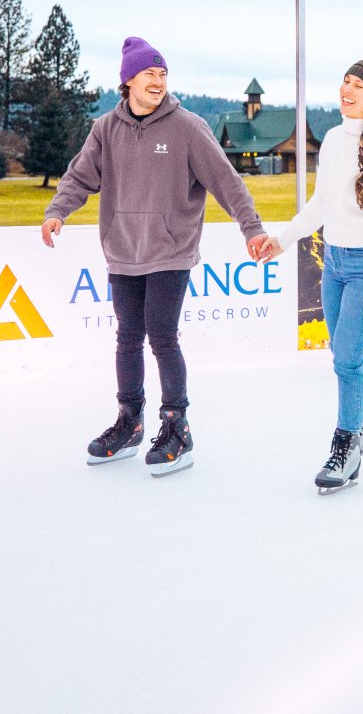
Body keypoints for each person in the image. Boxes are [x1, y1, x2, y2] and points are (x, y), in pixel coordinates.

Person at [41, 37, 269, 476]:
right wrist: (57, 212)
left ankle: (176, 427)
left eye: (163, 75)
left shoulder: (187, 127)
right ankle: (129, 422)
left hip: (171, 249)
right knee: (128, 336)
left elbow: (227, 181)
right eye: (150, 74)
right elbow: (79, 176)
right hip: (124, 248)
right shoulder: (105, 129)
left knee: (162, 336)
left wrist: (252, 228)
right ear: (128, 80)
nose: (158, 82)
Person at [261, 59, 363, 494]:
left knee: (344, 359)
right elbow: (321, 205)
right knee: (346, 351)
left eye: (358, 85)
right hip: (335, 263)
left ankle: (346, 450)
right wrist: (283, 240)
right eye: (345, 80)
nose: (347, 89)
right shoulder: (331, 143)